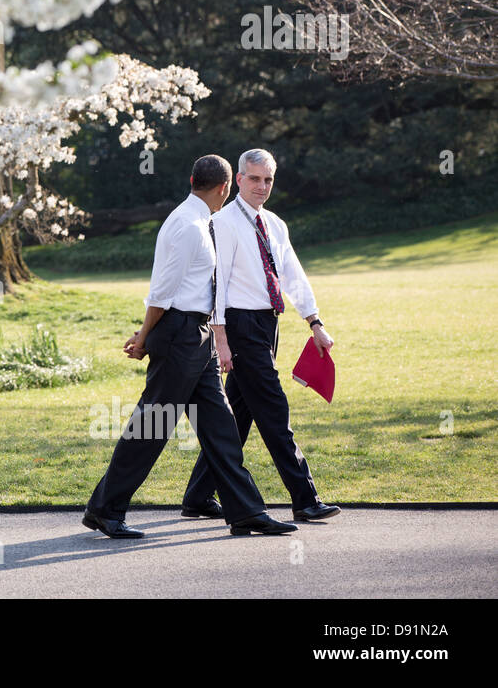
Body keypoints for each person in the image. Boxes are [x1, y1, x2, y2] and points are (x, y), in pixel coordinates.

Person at [83, 155, 297, 538]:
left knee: (221, 428)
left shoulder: (199, 221)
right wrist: (145, 336)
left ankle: (246, 511)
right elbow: (162, 291)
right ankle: (105, 508)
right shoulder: (189, 226)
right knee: (152, 424)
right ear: (224, 188)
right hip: (180, 334)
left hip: (197, 336)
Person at [181, 149, 340, 524]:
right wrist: (220, 337)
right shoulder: (224, 223)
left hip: (268, 324)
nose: (262, 186)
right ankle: (304, 497)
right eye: (254, 178)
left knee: (238, 415)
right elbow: (215, 286)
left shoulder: (275, 224)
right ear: (238, 180)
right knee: (274, 409)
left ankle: (198, 496)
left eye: (268, 179)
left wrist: (314, 322)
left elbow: (293, 275)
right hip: (238, 326)